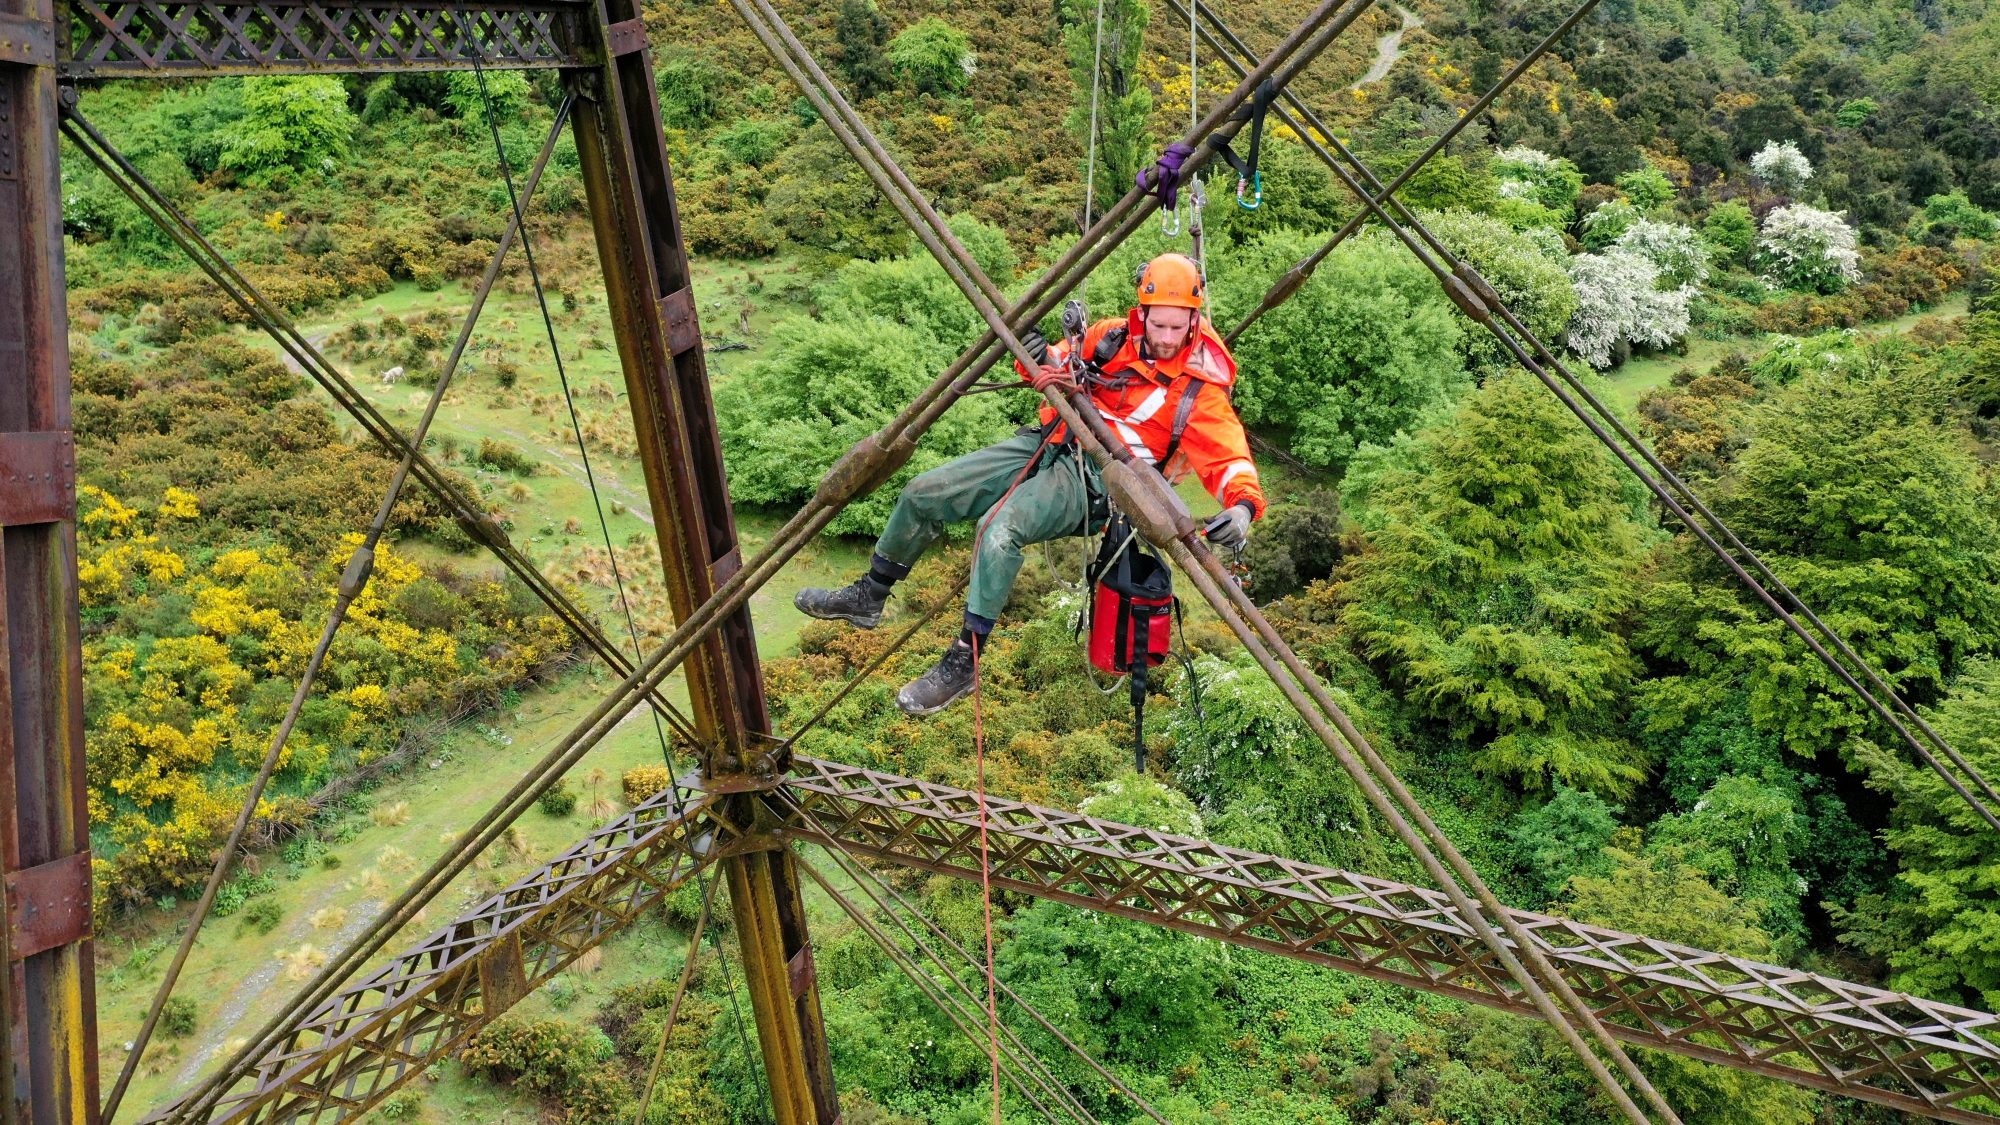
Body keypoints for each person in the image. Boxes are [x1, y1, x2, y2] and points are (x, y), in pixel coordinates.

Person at [794, 252, 1265, 715]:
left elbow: (1230, 458)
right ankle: (869, 596)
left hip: (1098, 483)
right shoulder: (1111, 337)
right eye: (1157, 324)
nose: (1165, 337)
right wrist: (1038, 354)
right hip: (1052, 441)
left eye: (1176, 326)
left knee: (999, 529)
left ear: (1193, 321)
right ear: (1142, 313)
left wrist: (1242, 508)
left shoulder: (1199, 391)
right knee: (924, 493)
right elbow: (1056, 368)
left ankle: (965, 660)